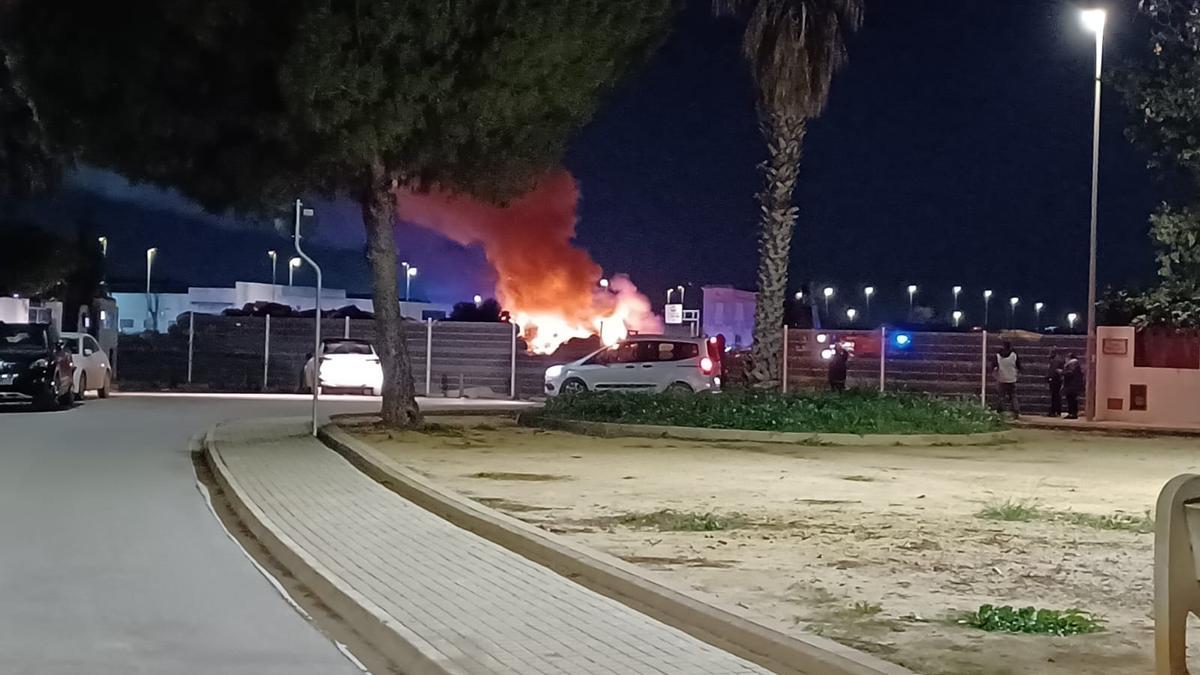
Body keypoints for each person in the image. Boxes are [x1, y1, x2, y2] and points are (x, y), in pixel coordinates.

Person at [990, 340, 1022, 418]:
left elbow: (993, 367)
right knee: (1013, 395)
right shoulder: (1014, 355)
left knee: (1001, 396)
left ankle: (1001, 411)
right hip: (1012, 378)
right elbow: (1019, 366)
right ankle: (1016, 411)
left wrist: (995, 374)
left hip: (1001, 378)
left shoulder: (998, 356)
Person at [1062, 353, 1084, 419]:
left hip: (1071, 385)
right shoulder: (1075, 364)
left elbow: (1070, 373)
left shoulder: (1072, 364)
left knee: (1071, 399)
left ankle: (1072, 413)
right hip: (1074, 385)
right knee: (1072, 399)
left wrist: (1062, 372)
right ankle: (1073, 413)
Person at [1046, 349, 1065, 418]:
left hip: (1055, 380)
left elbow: (1052, 371)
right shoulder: (1058, 360)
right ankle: (1057, 411)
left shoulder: (1055, 361)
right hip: (1057, 380)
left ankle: (1054, 411)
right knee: (1056, 396)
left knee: (1055, 396)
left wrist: (1049, 378)